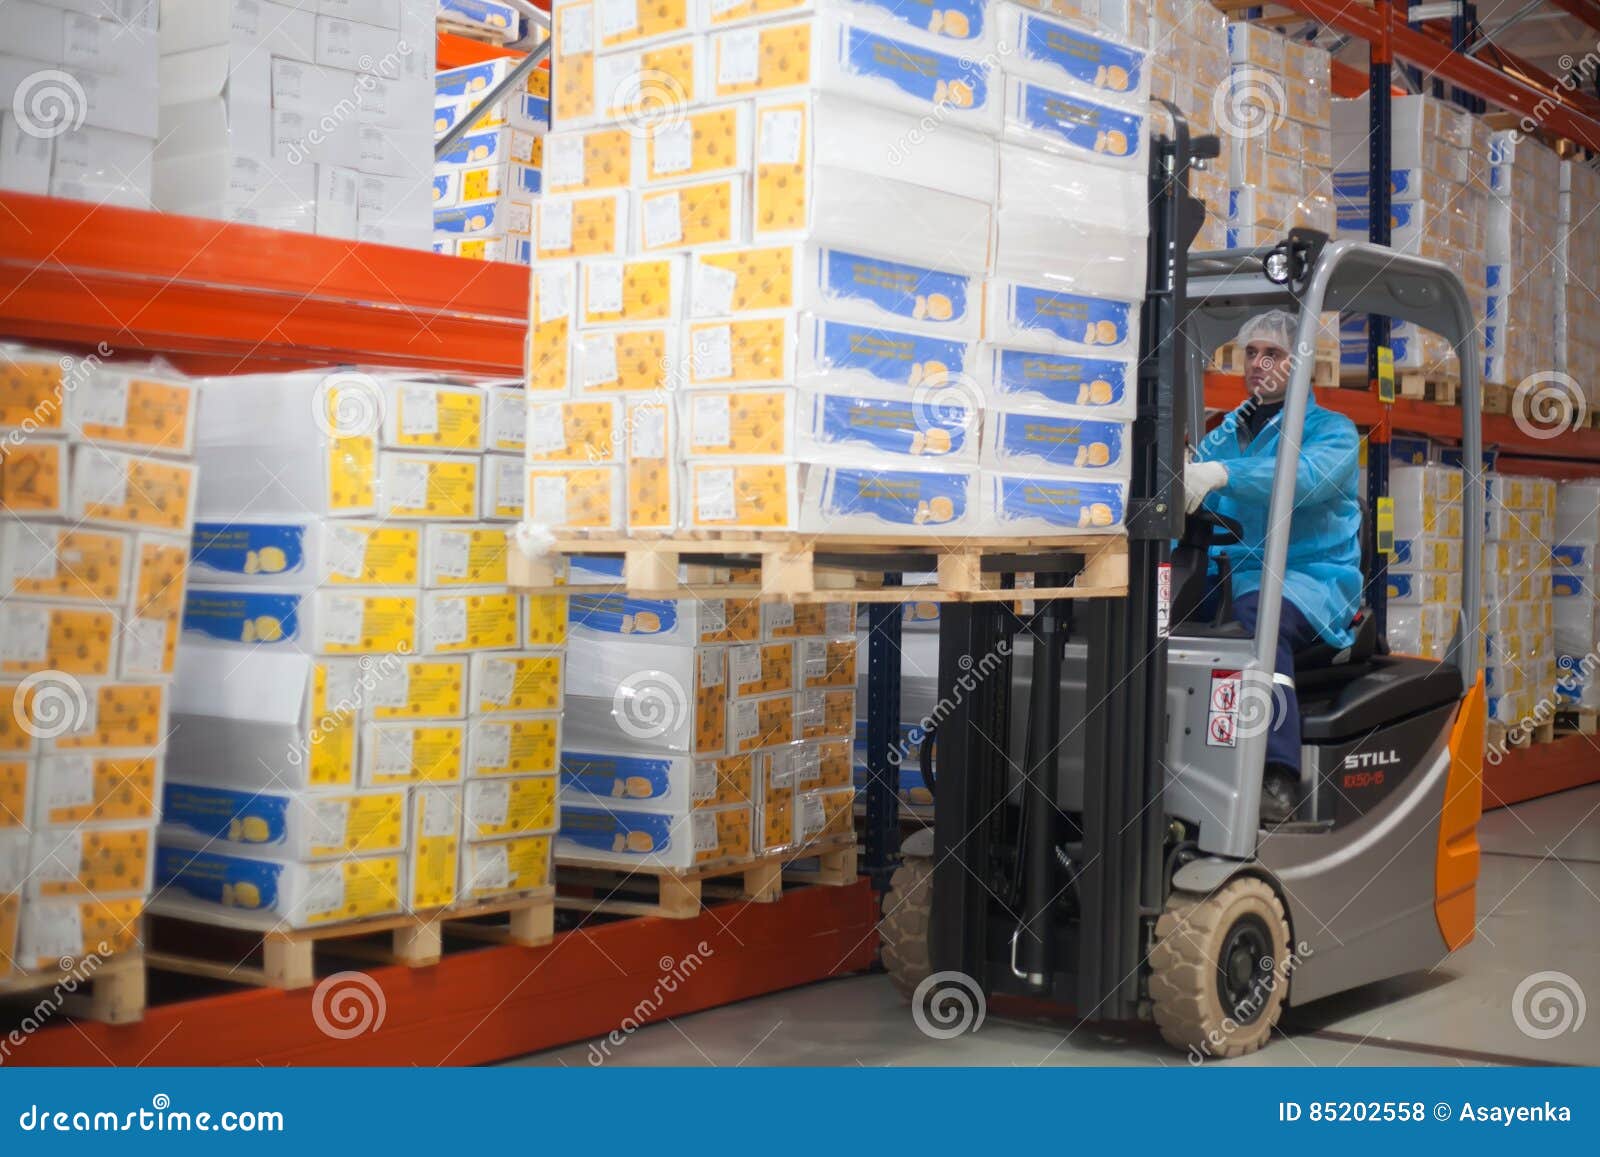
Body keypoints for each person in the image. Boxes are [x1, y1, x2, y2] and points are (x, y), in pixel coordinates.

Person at [1183, 310, 1363, 824]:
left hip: (1309, 578)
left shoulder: (1332, 432)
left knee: (1258, 618)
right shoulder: (1227, 431)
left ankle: (1277, 773)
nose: (1259, 364)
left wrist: (1220, 474)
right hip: (1231, 571)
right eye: (1252, 353)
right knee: (1154, 613)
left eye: (1274, 354)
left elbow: (1301, 478)